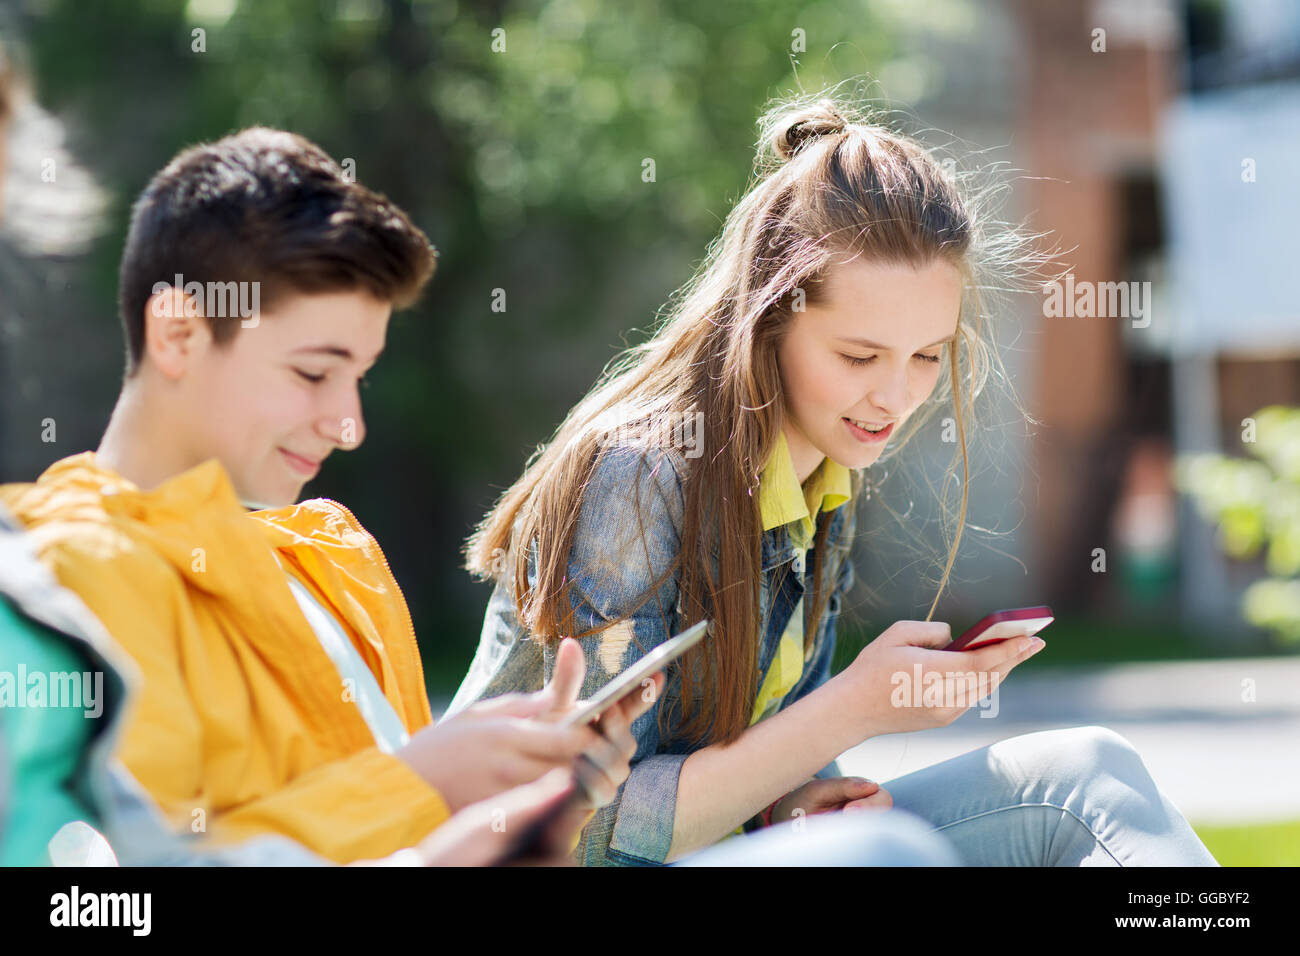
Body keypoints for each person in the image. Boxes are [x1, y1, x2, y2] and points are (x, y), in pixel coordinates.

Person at [449, 92, 1220, 867]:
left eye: (927, 357)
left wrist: (799, 799)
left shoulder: (822, 473)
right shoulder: (638, 480)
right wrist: (853, 709)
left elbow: (757, 750)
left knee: (1089, 773)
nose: (894, 398)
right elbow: (586, 830)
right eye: (859, 357)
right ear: (769, 318)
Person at [0, 126, 657, 865]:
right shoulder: (58, 585)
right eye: (314, 373)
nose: (349, 426)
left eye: (361, 376)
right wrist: (422, 782)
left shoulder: (333, 552)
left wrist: (526, 809)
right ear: (180, 335)